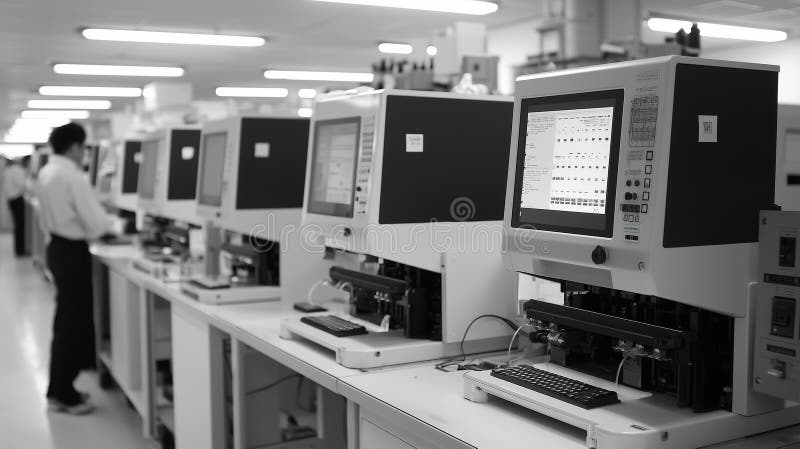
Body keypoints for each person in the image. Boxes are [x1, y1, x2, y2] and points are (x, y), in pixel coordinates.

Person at [36, 123, 123, 415]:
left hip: (57, 248)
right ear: (75, 146)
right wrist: (118, 228)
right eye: (83, 147)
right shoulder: (72, 176)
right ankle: (63, 394)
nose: (84, 153)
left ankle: (61, 388)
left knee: (66, 321)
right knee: (72, 323)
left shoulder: (48, 172)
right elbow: (95, 221)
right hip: (72, 252)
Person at [3, 156, 28, 256]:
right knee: (20, 225)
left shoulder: (7, 170)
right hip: (17, 199)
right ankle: (21, 250)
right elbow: (21, 184)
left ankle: (19, 250)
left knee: (18, 225)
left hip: (11, 200)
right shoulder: (17, 170)